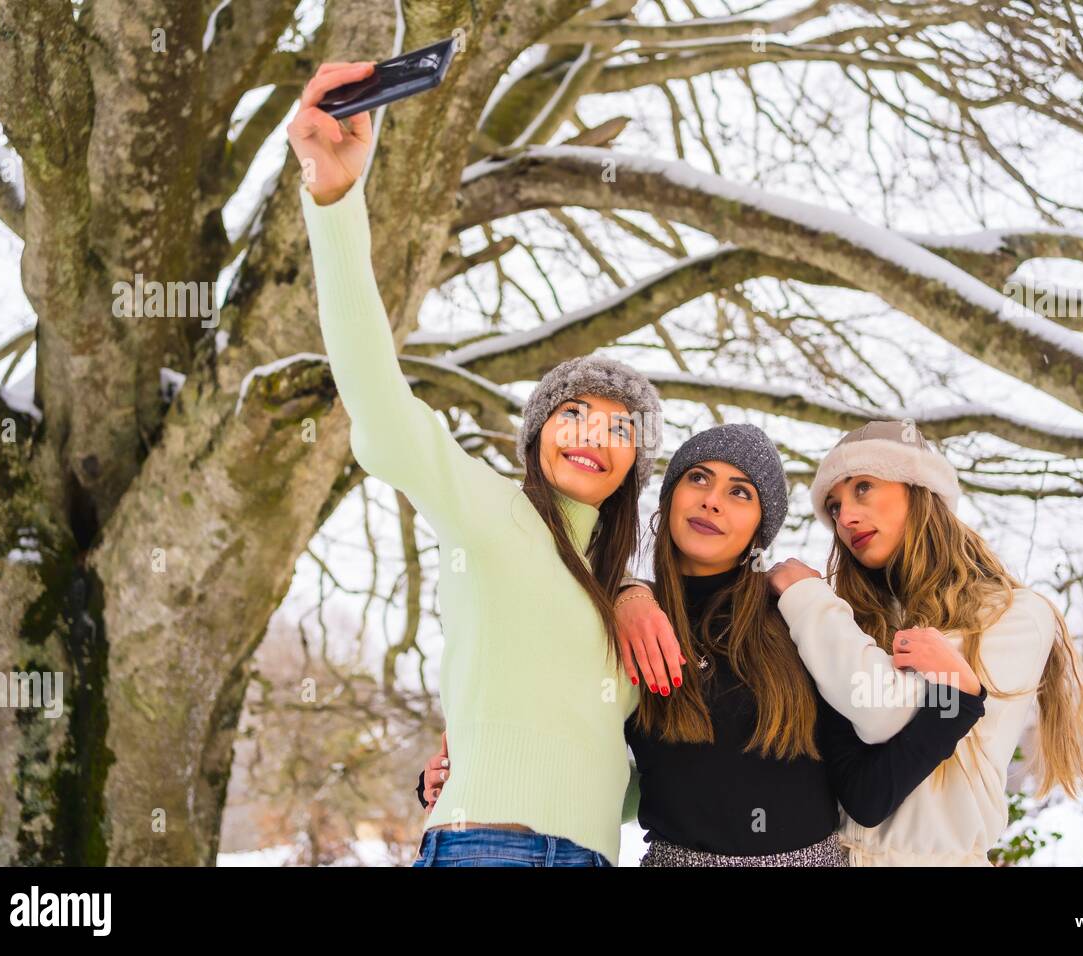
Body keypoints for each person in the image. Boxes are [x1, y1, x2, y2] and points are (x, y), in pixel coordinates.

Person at [289, 60, 663, 867]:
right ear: (534, 439)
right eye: (571, 413)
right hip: (489, 846)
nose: (592, 434)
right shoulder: (486, 508)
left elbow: (625, 777)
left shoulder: (623, 593)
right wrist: (332, 196)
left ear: (637, 463)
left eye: (618, 426)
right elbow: (378, 400)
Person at [422, 424, 988, 866]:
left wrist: (957, 705)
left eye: (739, 492)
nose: (712, 501)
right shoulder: (620, 623)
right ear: (668, 500)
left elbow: (865, 794)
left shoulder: (796, 623)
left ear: (760, 528)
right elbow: (567, 739)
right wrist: (465, 772)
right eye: (698, 479)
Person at [761, 419, 1083, 865]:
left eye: (863, 487)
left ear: (918, 488)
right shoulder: (847, 620)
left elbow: (882, 709)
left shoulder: (1014, 615)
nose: (845, 517)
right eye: (833, 506)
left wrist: (805, 596)